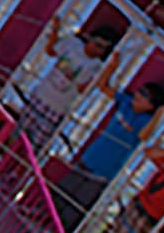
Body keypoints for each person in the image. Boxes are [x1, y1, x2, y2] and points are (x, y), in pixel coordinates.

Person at [51, 51, 164, 232]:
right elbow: (103, 86)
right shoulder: (125, 102)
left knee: (77, 205)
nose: (138, 95)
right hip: (89, 158)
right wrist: (112, 67)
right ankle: (41, 218)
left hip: (105, 171)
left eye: (144, 96)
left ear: (150, 105)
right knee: (61, 192)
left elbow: (144, 137)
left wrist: (159, 114)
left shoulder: (144, 121)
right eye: (140, 91)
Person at [16, 19, 120, 150]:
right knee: (17, 130)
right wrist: (55, 30)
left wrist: (110, 69)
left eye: (103, 49)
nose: (97, 50)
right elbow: (50, 51)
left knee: (34, 145)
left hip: (57, 109)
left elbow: (84, 89)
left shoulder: (96, 67)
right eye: (97, 44)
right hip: (41, 95)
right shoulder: (73, 44)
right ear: (90, 39)